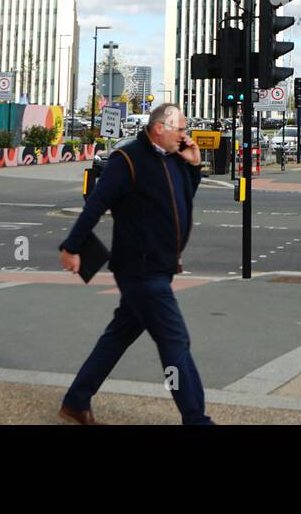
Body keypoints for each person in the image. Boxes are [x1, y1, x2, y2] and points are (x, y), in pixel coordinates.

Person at [58, 103, 213, 426]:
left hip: (160, 266)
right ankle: (195, 418)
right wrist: (72, 247)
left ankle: (76, 400)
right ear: (159, 128)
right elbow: (96, 204)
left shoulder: (173, 159)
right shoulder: (127, 160)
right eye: (181, 129)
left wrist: (194, 167)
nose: (186, 136)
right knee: (175, 343)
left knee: (118, 336)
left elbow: (183, 199)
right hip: (141, 270)